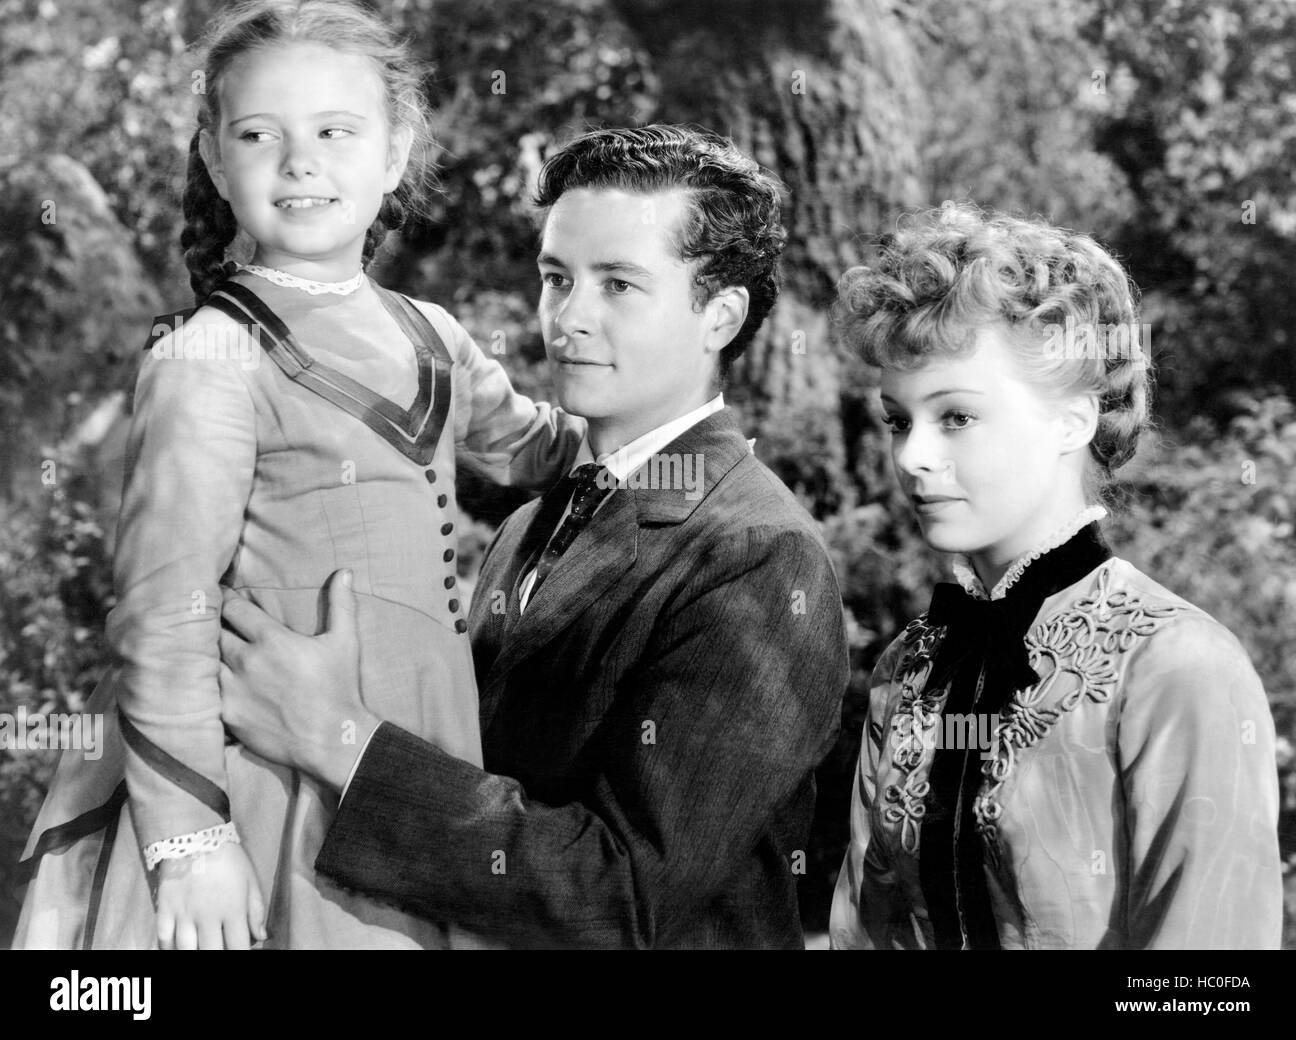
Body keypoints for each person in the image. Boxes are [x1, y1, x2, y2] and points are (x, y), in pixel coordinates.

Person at [13, 0, 583, 951]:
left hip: (409, 760)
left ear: (395, 151)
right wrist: (192, 840)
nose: (300, 160)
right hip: (273, 787)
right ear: (213, 156)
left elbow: (535, 446)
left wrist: (657, 438)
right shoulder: (209, 359)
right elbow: (162, 616)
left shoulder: (432, 333)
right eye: (259, 134)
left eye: (334, 130)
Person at [218, 124, 851, 949]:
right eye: (558, 278)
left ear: (720, 316)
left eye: (619, 285)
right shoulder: (533, 521)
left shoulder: (757, 554)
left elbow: (624, 894)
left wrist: (340, 739)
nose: (568, 318)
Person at [829, 202, 1283, 950]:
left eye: (957, 417)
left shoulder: (1177, 667)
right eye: (898, 420)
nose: (912, 457)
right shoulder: (909, 668)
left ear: (1072, 420)